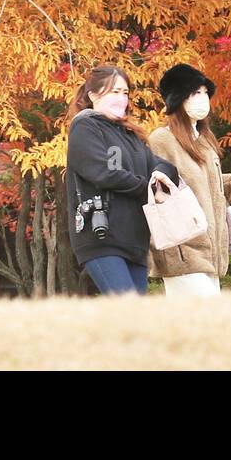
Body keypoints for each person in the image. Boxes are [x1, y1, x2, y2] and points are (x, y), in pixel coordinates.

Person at [66, 64, 180, 295]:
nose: (121, 98)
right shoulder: (85, 126)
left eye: (125, 92)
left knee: (134, 317)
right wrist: (148, 188)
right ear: (93, 95)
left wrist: (161, 175)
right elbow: (104, 173)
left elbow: (163, 165)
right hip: (102, 237)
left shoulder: (130, 135)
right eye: (114, 92)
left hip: (135, 239)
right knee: (127, 307)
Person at [146, 63, 231, 297]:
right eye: (195, 93)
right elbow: (160, 191)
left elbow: (203, 184)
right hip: (182, 251)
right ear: (178, 98)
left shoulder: (205, 141)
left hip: (211, 251)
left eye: (205, 93)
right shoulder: (161, 140)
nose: (203, 98)